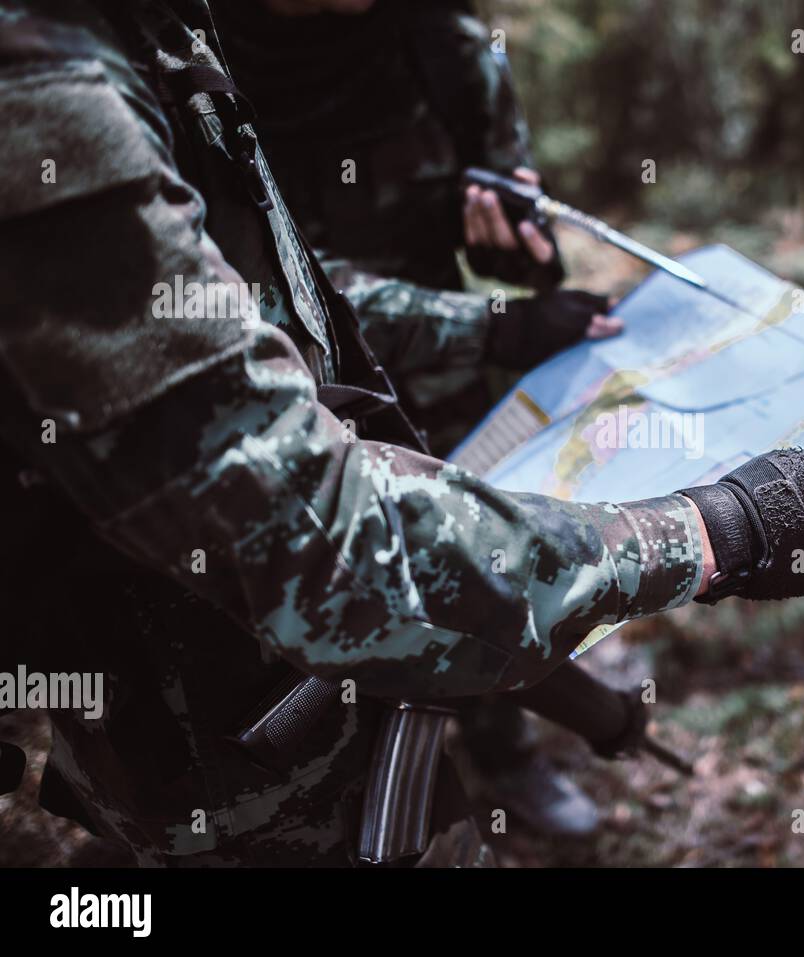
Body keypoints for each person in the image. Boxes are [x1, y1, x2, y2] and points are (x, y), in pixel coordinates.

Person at [0, 0, 804, 867]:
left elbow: (261, 291)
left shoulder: (160, 30)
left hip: (265, 687)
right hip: (210, 727)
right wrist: (715, 530)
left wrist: (495, 320)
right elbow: (319, 540)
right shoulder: (46, 72)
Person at [209, 0, 617, 837]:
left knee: (482, 566)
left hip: (439, 388)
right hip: (279, 400)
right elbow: (272, 290)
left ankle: (506, 752)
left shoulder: (451, 47)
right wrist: (493, 323)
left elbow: (518, 217)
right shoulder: (192, 51)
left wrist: (514, 257)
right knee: (308, 624)